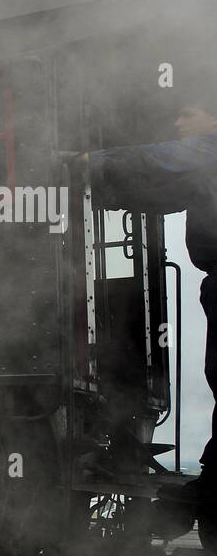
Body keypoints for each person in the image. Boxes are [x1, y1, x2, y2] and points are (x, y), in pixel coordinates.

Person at [76, 100, 217, 503]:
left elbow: (160, 159)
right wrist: (114, 198)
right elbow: (165, 196)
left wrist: (92, 160)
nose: (178, 119)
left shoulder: (210, 147)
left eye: (186, 112)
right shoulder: (203, 170)